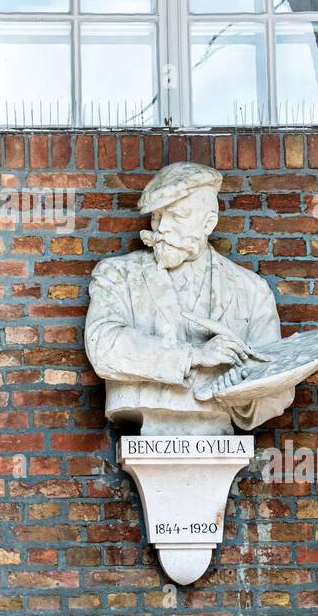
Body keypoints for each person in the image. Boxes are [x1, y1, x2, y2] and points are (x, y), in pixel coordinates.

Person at [84, 162, 294, 434]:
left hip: (219, 424)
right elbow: (104, 346)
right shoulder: (119, 275)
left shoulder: (251, 289)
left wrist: (241, 379)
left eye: (178, 216)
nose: (163, 227)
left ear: (209, 223)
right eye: (158, 216)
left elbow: (277, 385)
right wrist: (195, 356)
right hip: (148, 411)